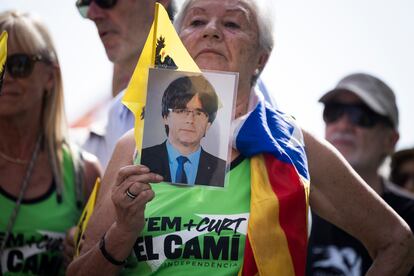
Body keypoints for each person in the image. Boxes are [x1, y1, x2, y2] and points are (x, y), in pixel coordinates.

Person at [67, 1, 414, 275]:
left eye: (233, 23)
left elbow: (397, 243)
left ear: (261, 58)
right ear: (178, 43)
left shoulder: (294, 146)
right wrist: (122, 233)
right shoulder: (134, 145)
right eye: (197, 21)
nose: (212, 31)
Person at [0, 11, 101, 275]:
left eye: (19, 64)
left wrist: (81, 258)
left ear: (49, 77)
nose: (5, 76)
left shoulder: (85, 174)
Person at [306, 73, 414, 275]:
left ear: (390, 140)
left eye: (362, 115)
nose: (344, 124)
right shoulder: (288, 203)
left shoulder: (410, 217)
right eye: (334, 112)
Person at [74, 0, 177, 169]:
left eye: (106, 1)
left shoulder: (221, 105)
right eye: (84, 3)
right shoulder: (80, 152)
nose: (92, 14)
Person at [141, 75, 226, 186]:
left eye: (199, 113)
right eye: (181, 111)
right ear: (165, 117)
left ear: (208, 124)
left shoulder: (221, 169)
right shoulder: (143, 160)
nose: (190, 120)